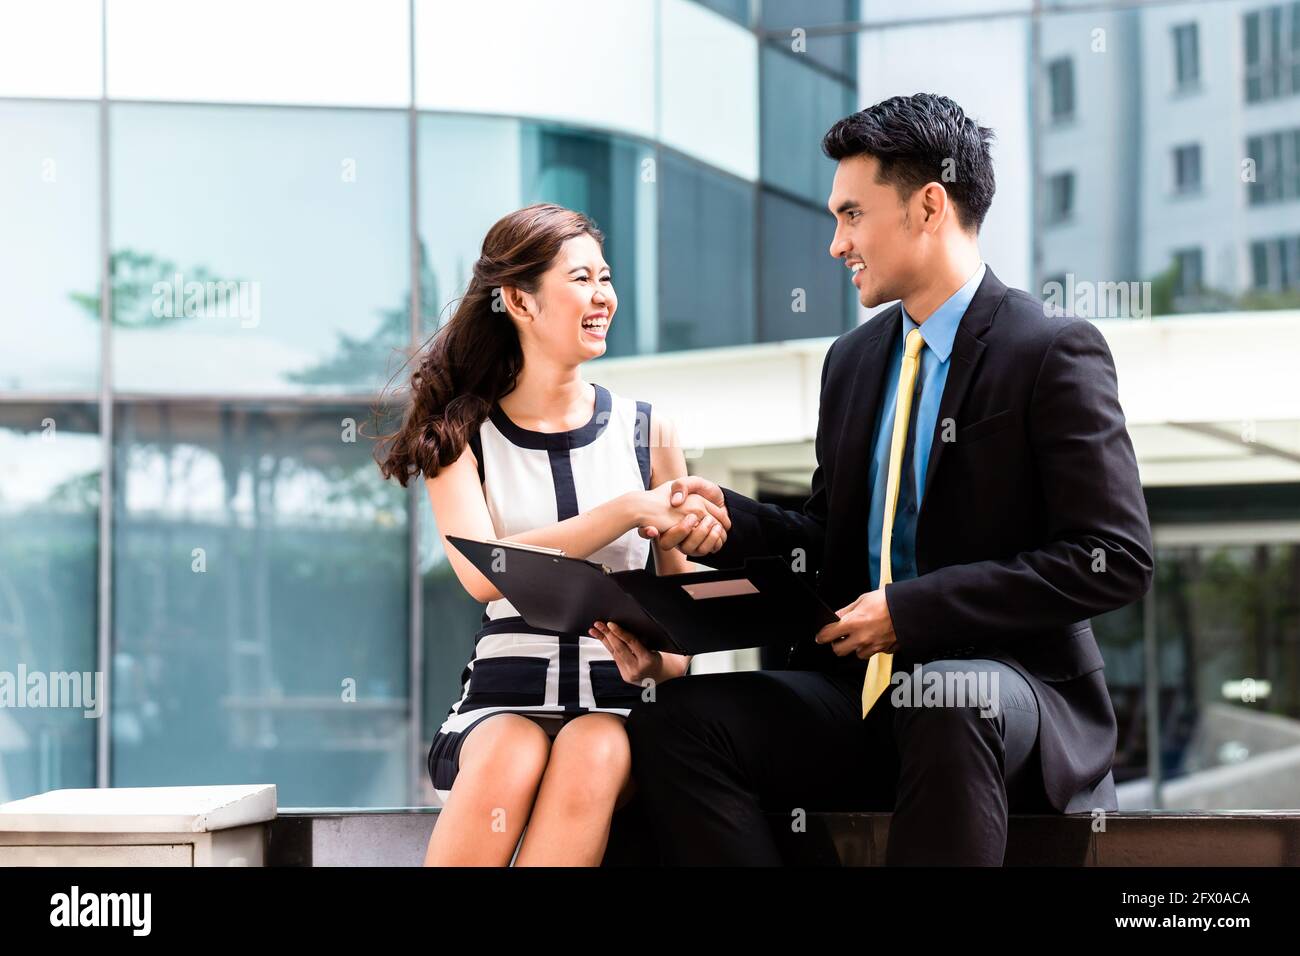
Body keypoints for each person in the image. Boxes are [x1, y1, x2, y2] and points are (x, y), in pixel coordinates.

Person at [623, 93, 1155, 865]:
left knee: (953, 697)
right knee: (679, 720)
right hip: (864, 700)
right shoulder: (853, 362)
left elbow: (1113, 556)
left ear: (928, 206)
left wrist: (912, 610)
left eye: (851, 215)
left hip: (1008, 695)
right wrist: (726, 524)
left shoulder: (1050, 350)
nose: (837, 245)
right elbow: (832, 544)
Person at [375, 203, 728, 866]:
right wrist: (624, 511)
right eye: (581, 279)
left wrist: (657, 664)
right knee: (514, 746)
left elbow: (685, 634)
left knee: (591, 747)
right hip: (497, 708)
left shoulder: (651, 431)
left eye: (606, 277)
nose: (603, 297)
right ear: (519, 300)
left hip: (619, 711)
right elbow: (483, 571)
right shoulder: (458, 437)